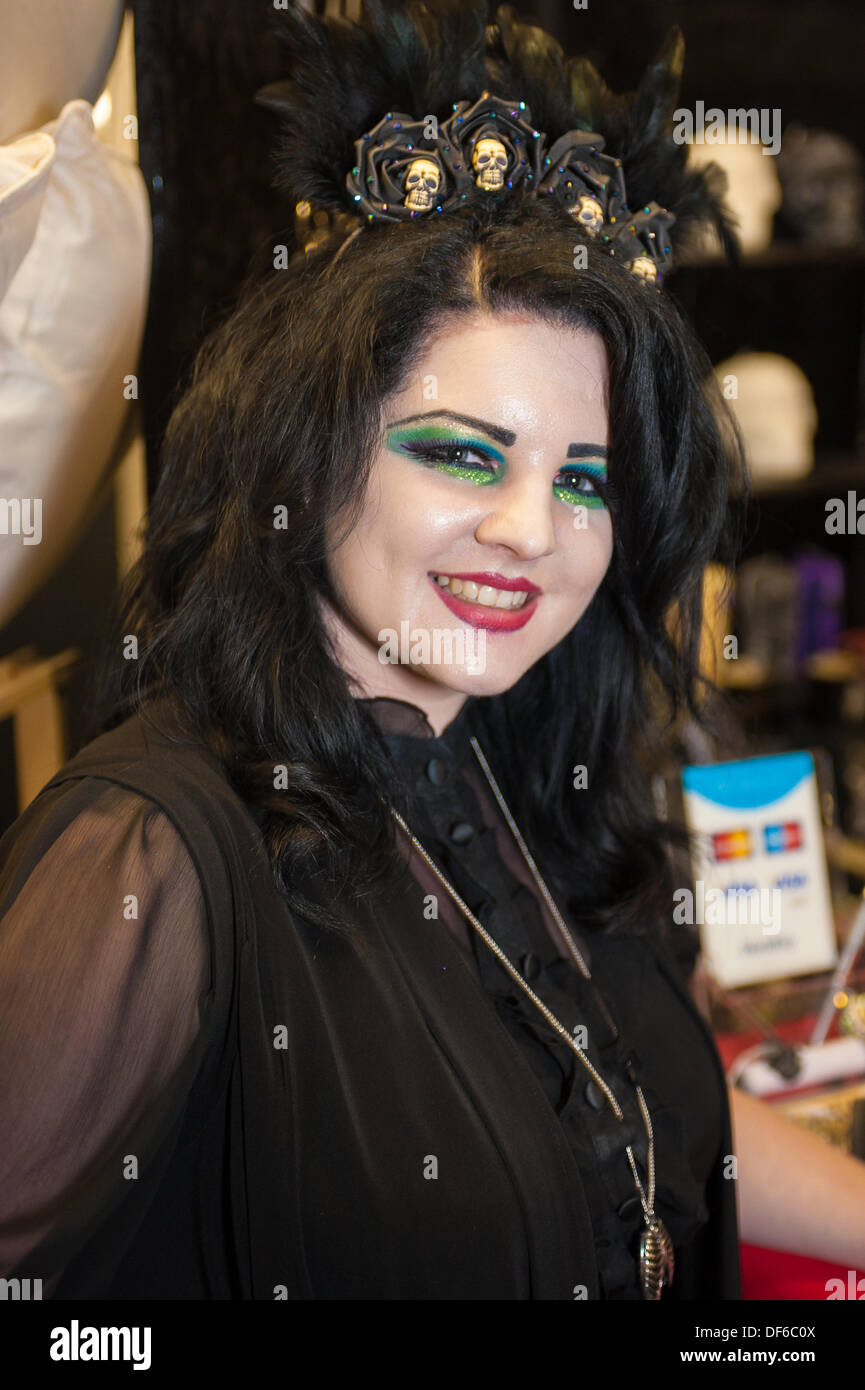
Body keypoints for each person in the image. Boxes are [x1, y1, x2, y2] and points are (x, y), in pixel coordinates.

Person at [2, 0, 864, 1301]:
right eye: (460, 452)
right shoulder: (151, 852)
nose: (531, 529)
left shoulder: (521, 767)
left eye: (586, 478)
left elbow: (621, 1120)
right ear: (309, 452)